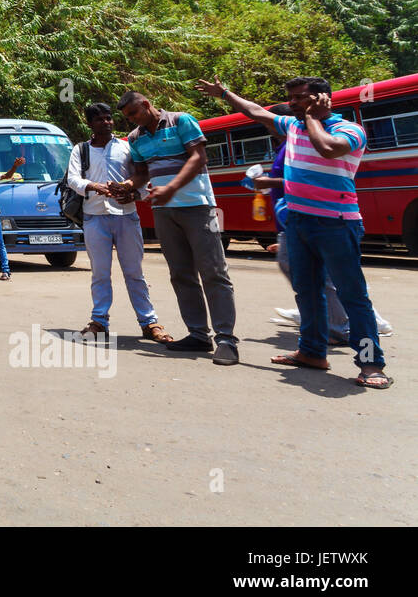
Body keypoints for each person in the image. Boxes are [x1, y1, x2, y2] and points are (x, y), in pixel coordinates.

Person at [196, 76, 391, 388]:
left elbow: (327, 149)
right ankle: (313, 352)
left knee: (353, 297)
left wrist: (312, 117)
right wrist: (224, 93)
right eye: (292, 98)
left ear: (324, 98)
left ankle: (371, 364)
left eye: (301, 97)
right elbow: (256, 112)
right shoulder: (294, 126)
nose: (294, 103)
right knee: (307, 292)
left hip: (337, 223)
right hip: (298, 222)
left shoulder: (348, 130)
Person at [113, 91, 239, 364]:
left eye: (133, 114)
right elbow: (142, 173)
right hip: (163, 211)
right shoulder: (136, 138)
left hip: (197, 206)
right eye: (127, 117)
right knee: (181, 274)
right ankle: (198, 335)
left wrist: (171, 188)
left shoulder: (181, 121)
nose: (131, 120)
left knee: (213, 272)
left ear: (146, 104)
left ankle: (226, 339)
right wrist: (126, 188)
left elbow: (198, 158)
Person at [64, 103, 172, 343]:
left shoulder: (127, 147)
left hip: (126, 217)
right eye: (100, 119)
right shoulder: (80, 150)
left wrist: (133, 194)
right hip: (94, 218)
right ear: (90, 124)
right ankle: (99, 321)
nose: (107, 122)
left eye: (109, 118)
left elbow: (144, 180)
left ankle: (149, 322)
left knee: (135, 273)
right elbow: (73, 179)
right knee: (100, 274)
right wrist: (94, 186)